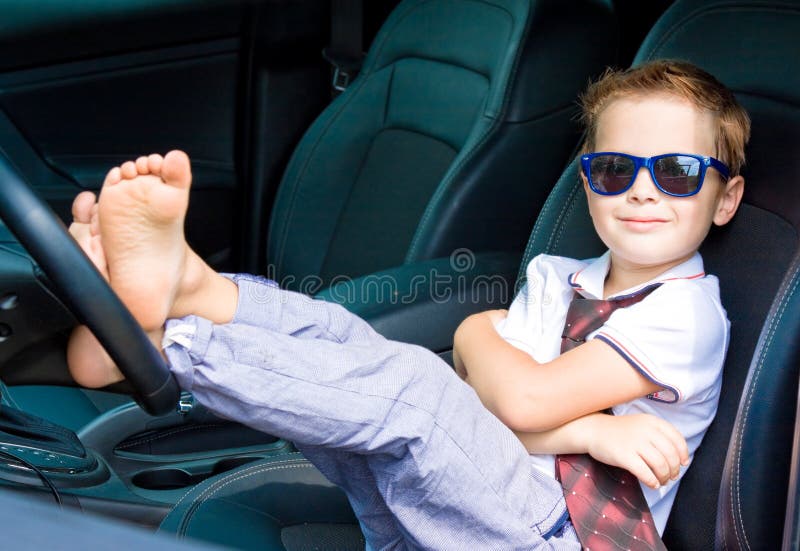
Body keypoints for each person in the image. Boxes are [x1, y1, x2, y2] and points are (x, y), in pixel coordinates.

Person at [65, 59, 749, 549]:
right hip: (456, 514)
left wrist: (482, 341)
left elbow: (520, 402)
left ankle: (166, 348)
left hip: (555, 532)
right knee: (351, 339)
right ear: (586, 181)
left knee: (415, 391)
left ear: (726, 199)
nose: (640, 191)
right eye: (613, 169)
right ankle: (194, 291)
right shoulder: (555, 276)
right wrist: (584, 427)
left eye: (677, 172)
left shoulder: (686, 318)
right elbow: (491, 406)